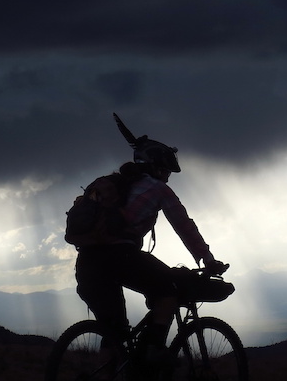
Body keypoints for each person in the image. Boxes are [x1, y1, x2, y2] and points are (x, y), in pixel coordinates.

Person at [73, 136, 227, 356]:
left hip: (87, 260)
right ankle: (152, 351)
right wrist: (207, 259)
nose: (167, 177)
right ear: (155, 166)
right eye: (166, 171)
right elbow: (184, 226)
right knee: (168, 290)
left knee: (114, 330)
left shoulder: (113, 185)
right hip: (121, 256)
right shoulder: (157, 189)